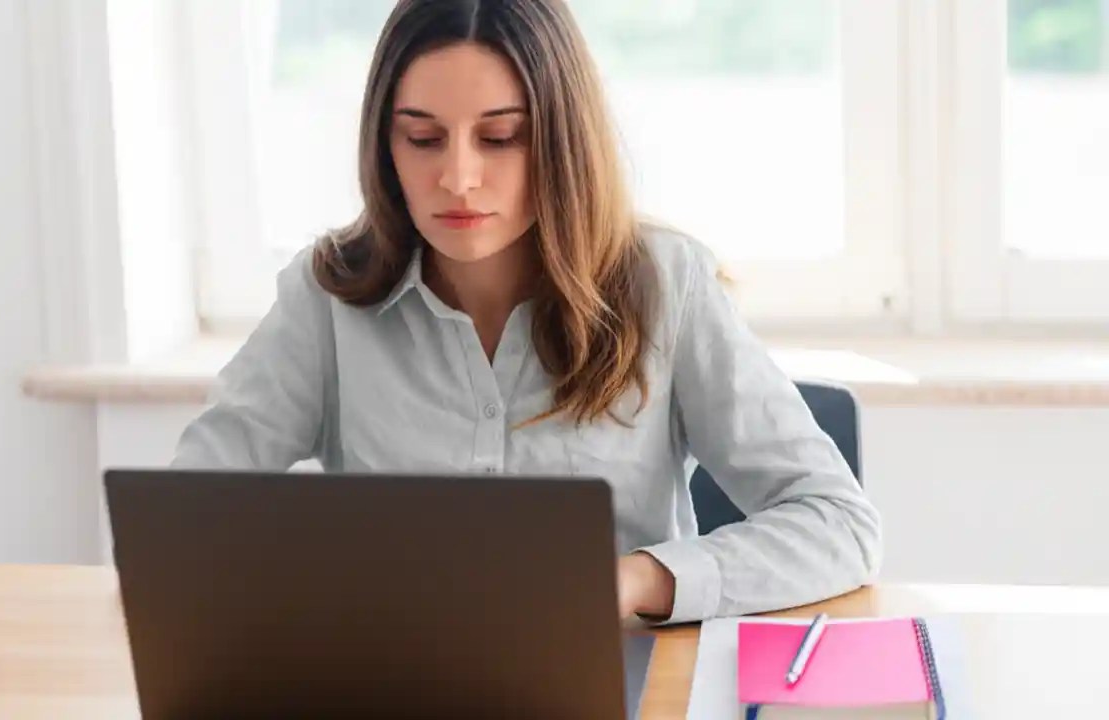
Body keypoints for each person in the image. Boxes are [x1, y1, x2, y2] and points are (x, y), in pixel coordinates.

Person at [172, 0, 881, 625]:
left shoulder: (666, 286)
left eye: (501, 136)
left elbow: (838, 524)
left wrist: (636, 579)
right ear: (384, 146)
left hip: (616, 675)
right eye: (421, 138)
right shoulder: (327, 297)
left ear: (562, 140)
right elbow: (182, 522)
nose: (457, 176)